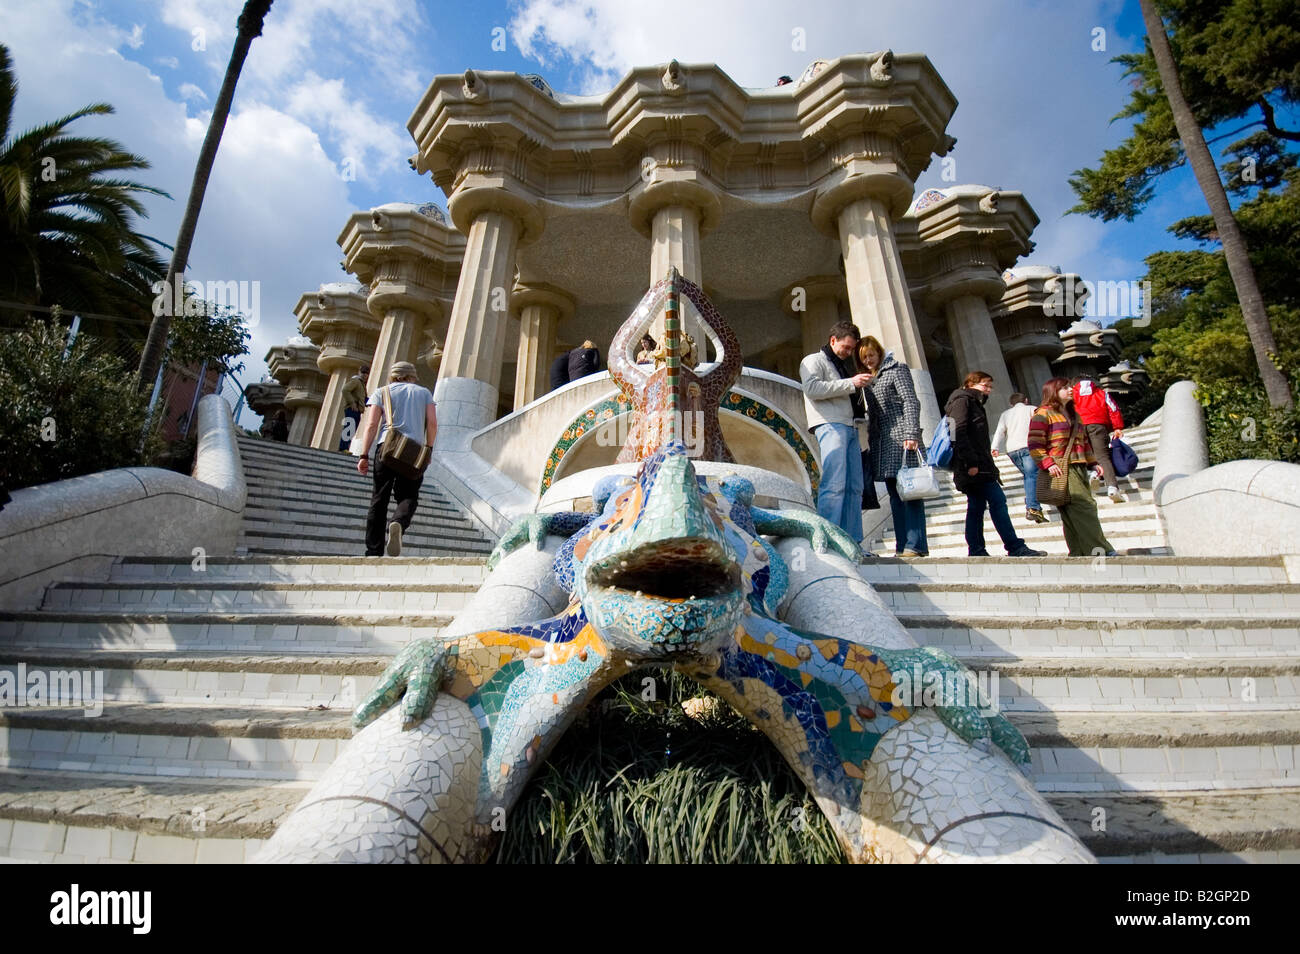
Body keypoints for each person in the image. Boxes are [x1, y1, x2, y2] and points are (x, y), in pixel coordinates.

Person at [945, 371, 1045, 558]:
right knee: (997, 502)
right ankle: (1014, 546)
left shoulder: (971, 401)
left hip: (979, 465)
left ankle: (976, 549)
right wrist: (971, 462)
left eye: (990, 386)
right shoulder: (962, 401)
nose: (989, 390)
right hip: (974, 467)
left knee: (975, 507)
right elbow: (956, 432)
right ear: (970, 383)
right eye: (985, 385)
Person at [800, 321, 872, 545]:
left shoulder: (842, 364)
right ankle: (829, 540)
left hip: (850, 426)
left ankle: (853, 542)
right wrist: (850, 383)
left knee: (854, 487)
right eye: (847, 347)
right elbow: (811, 389)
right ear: (833, 340)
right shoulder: (812, 360)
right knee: (834, 483)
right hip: (829, 424)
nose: (849, 352)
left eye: (852, 348)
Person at [1028, 378, 1117, 557]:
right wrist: (1048, 463)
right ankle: (1101, 550)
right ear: (1053, 391)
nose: (1070, 390)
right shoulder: (1043, 414)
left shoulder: (1074, 414)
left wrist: (1093, 462)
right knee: (1085, 506)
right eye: (1065, 387)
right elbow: (1034, 443)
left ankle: (1078, 552)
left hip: (1078, 465)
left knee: (1070, 511)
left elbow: (1083, 442)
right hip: (1061, 467)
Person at [355, 361, 437, 557]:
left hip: (387, 448)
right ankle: (398, 521)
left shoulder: (381, 392)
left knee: (379, 499)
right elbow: (432, 424)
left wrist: (364, 454)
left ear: (393, 376)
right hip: (413, 451)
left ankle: (374, 550)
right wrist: (429, 449)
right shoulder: (424, 393)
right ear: (412, 376)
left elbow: (371, 425)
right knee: (409, 495)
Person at [859, 335, 928, 557]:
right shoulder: (868, 379)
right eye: (864, 357)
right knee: (895, 494)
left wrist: (912, 433)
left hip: (902, 438)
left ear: (879, 352)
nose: (868, 360)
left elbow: (910, 400)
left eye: (871, 354)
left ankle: (915, 544)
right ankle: (902, 545)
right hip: (882, 442)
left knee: (911, 492)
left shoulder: (897, 369)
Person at [991, 391, 1046, 523]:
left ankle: (1032, 504)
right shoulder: (1032, 409)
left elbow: (999, 431)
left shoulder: (1005, 414)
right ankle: (1032, 507)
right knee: (1032, 475)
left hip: (1012, 449)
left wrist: (995, 447)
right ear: (1026, 400)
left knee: (1029, 475)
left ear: (1011, 404)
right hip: (1028, 446)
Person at [1071, 375, 1126, 502]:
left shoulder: (1072, 395)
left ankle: (1094, 473)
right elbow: (1113, 409)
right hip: (1098, 426)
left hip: (1079, 427)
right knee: (1103, 457)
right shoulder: (1102, 393)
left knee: (1085, 454)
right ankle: (1112, 488)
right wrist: (1117, 427)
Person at [340, 365, 369, 452]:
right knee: (349, 428)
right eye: (363, 372)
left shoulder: (361, 384)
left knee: (352, 429)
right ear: (359, 372)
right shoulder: (356, 381)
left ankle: (346, 448)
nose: (364, 374)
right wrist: (352, 403)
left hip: (357, 410)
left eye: (366, 373)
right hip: (352, 409)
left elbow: (362, 398)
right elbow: (345, 390)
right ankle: (343, 448)